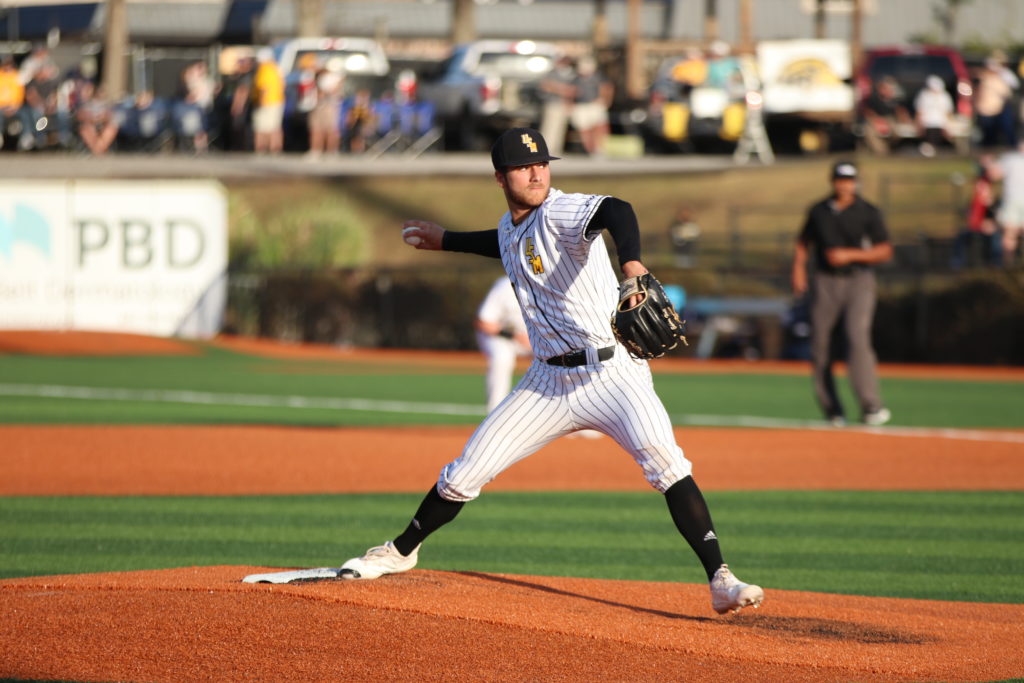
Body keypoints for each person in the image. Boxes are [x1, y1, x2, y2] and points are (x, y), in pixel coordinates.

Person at [338, 127, 765, 616]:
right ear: (501, 177)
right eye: (524, 166)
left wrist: (632, 267)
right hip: (546, 383)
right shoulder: (510, 226)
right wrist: (446, 240)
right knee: (464, 473)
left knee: (667, 465)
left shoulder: (561, 210)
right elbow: (501, 242)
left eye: (542, 162)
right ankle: (399, 552)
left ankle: (721, 579)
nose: (537, 171)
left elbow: (617, 210)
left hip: (613, 374)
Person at [791, 161, 893, 427]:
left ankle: (871, 405)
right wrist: (798, 271)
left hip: (859, 279)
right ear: (833, 181)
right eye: (840, 179)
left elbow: (884, 250)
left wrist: (851, 255)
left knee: (857, 337)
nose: (845, 184)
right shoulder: (819, 211)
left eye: (849, 179)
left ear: (856, 182)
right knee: (820, 344)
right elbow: (803, 243)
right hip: (825, 281)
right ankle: (832, 409)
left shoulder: (867, 211)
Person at [474, 275, 532, 412]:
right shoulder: (505, 286)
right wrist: (515, 336)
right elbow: (483, 322)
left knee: (563, 359)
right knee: (502, 357)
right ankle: (495, 411)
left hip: (533, 340)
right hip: (501, 337)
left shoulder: (548, 283)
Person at [953, 154, 1001, 268]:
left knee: (994, 236)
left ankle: (996, 263)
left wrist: (991, 218)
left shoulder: (995, 185)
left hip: (990, 224)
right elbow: (971, 207)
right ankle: (958, 261)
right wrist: (968, 213)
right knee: (961, 236)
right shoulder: (978, 186)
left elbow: (997, 208)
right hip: (976, 223)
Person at [569, 55, 613, 156]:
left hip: (594, 105)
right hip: (581, 106)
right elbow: (571, 91)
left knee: (599, 127)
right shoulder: (576, 78)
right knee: (584, 129)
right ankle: (590, 149)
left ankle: (600, 149)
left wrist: (606, 100)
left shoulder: (598, 77)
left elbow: (607, 88)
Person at [991, 141, 1024, 265]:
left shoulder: (1009, 158)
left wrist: (989, 163)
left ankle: (1008, 264)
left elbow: (994, 174)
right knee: (1010, 234)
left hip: (1012, 200)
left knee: (1010, 233)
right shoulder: (1010, 157)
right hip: (1014, 200)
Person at [861, 76, 912, 155]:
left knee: (895, 131)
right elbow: (868, 112)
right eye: (883, 88)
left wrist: (906, 119)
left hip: (890, 120)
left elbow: (900, 111)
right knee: (870, 133)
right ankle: (881, 151)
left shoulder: (894, 100)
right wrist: (878, 121)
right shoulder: (873, 99)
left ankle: (891, 149)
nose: (885, 90)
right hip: (876, 119)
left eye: (887, 88)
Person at [538, 55, 576, 156]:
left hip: (563, 104)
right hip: (553, 103)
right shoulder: (552, 73)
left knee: (561, 128)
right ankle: (546, 149)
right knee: (550, 127)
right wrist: (563, 90)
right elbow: (546, 85)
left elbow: (573, 91)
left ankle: (556, 150)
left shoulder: (570, 75)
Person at [251, 48, 284, 154]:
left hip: (266, 102)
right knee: (274, 127)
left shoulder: (264, 69)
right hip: (277, 101)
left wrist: (260, 101)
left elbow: (263, 87)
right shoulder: (276, 68)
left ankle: (262, 149)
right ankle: (275, 149)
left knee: (262, 128)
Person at [914, 75, 954, 157]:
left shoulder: (944, 96)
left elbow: (948, 112)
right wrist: (919, 124)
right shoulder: (924, 95)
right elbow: (920, 111)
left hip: (940, 123)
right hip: (928, 123)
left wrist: (948, 126)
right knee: (929, 140)